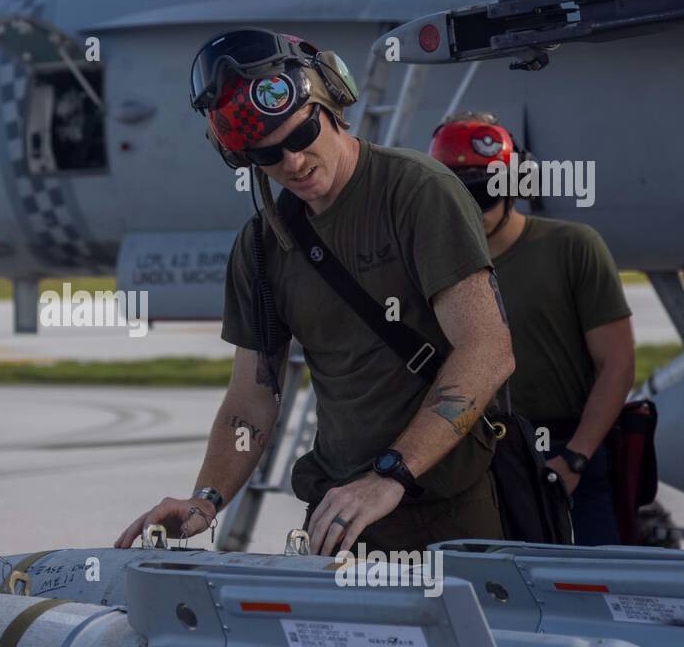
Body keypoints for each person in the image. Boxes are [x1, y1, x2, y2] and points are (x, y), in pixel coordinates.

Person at [114, 28, 515, 556]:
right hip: (339, 512)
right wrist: (206, 500)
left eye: (302, 135)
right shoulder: (262, 246)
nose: (293, 163)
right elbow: (252, 397)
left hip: (448, 507)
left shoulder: (418, 192)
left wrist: (390, 476)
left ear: (333, 106)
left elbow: (488, 349)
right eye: (267, 155)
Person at [429, 114, 635, 544]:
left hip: (565, 455)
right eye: (458, 197)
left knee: (589, 582)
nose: (473, 211)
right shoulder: (429, 265)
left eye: (485, 194)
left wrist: (575, 458)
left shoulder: (575, 247)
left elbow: (616, 364)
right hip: (472, 459)